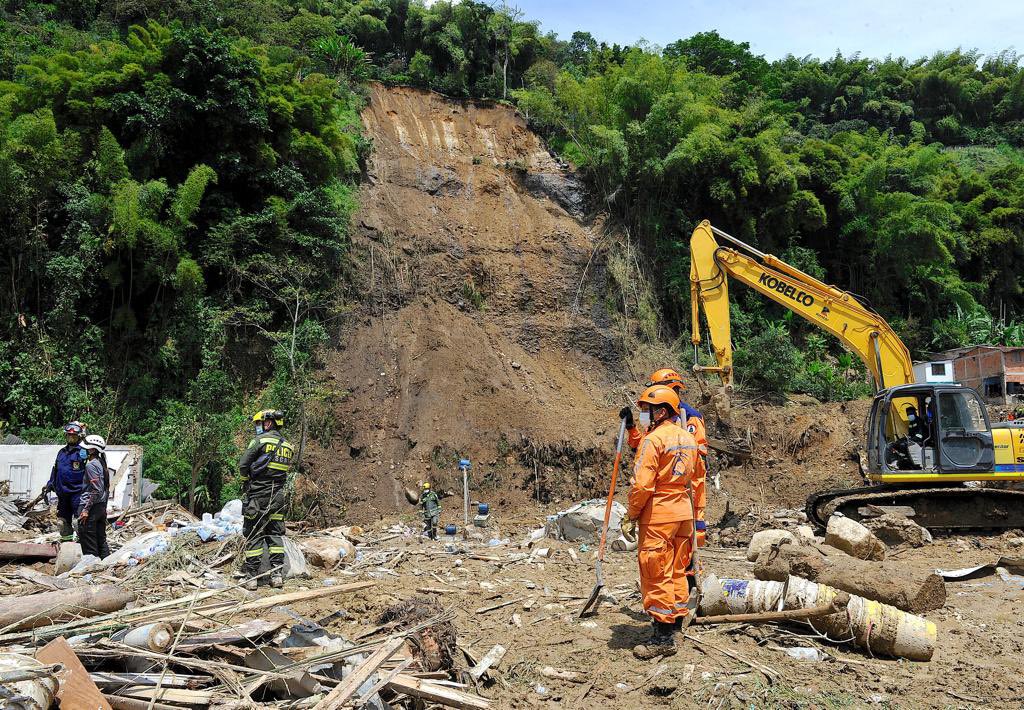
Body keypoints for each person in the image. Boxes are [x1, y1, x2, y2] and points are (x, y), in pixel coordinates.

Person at [622, 385, 700, 659]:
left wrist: (632, 514)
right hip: (683, 512)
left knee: (655, 571)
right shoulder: (687, 438)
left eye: (648, 410)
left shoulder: (653, 440)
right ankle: (676, 625)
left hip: (659, 514)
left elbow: (642, 485)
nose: (644, 414)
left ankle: (663, 638)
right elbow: (694, 478)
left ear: (662, 411)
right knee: (678, 569)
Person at [621, 368, 709, 545]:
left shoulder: (689, 417)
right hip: (663, 496)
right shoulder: (657, 418)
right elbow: (644, 446)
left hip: (684, 490)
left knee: (688, 543)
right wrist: (631, 428)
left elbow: (695, 462)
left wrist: (689, 497)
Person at [239, 409, 294, 591]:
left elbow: (243, 465)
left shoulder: (259, 441)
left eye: (260, 423)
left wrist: (246, 481)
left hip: (258, 496)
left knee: (254, 532)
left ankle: (252, 577)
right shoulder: (288, 446)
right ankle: (277, 575)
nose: (258, 427)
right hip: (278, 497)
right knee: (275, 534)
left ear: (268, 423)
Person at [45, 422, 88, 541]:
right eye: (69, 435)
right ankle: (66, 544)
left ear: (79, 437)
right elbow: (55, 470)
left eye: (74, 436)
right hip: (63, 494)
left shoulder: (83, 452)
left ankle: (83, 545)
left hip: (78, 493)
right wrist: (49, 486)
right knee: (61, 523)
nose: (71, 437)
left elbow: (90, 470)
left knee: (78, 522)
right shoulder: (61, 452)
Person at [78, 434, 110, 559]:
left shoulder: (91, 465)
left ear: (91, 449)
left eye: (85, 448)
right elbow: (105, 488)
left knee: (89, 543)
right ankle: (106, 564)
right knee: (101, 539)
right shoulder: (101, 463)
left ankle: (93, 566)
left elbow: (96, 489)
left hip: (91, 508)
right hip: (100, 507)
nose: (82, 451)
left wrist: (86, 510)